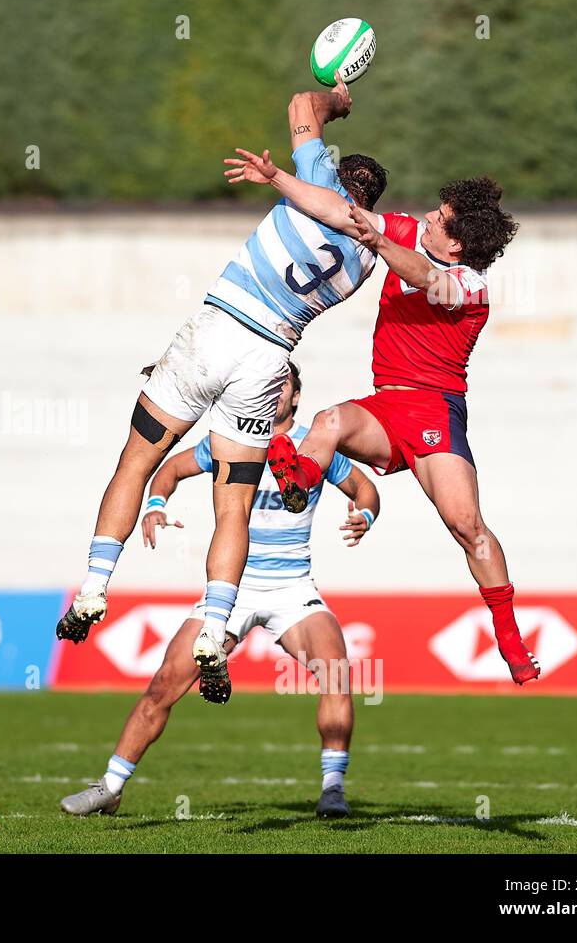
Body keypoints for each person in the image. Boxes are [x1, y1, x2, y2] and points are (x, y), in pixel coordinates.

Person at [56, 78, 388, 697]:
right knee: (231, 505)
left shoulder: (316, 190)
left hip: (216, 331)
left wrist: (336, 101)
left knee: (136, 460)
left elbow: (299, 108)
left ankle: (97, 584)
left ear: (338, 183)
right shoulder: (366, 261)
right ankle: (213, 627)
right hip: (268, 361)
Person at [227, 147, 539, 684]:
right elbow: (332, 209)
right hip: (385, 403)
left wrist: (381, 242)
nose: (427, 218)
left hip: (434, 409)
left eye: (439, 219)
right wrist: (277, 177)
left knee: (467, 527)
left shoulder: (470, 286)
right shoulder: (407, 234)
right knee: (327, 421)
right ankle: (297, 479)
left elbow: (422, 275)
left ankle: (509, 639)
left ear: (458, 243)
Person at [60, 363, 378, 817]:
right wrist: (155, 505)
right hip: (232, 589)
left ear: (294, 397)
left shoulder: (318, 446)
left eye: (281, 383)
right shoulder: (229, 440)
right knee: (165, 684)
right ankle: (110, 787)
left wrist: (363, 516)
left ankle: (332, 788)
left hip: (293, 588)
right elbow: (168, 471)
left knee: (336, 672)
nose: (272, 388)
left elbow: (367, 491)